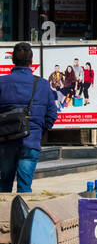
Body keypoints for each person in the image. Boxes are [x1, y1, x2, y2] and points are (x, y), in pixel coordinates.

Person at [0, 42, 60, 192]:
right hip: (31, 140)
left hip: (5, 141)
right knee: (25, 187)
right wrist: (38, 131)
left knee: (4, 185)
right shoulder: (42, 84)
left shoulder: (2, 82)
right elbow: (52, 114)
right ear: (31, 61)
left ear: (13, 60)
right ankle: (23, 208)